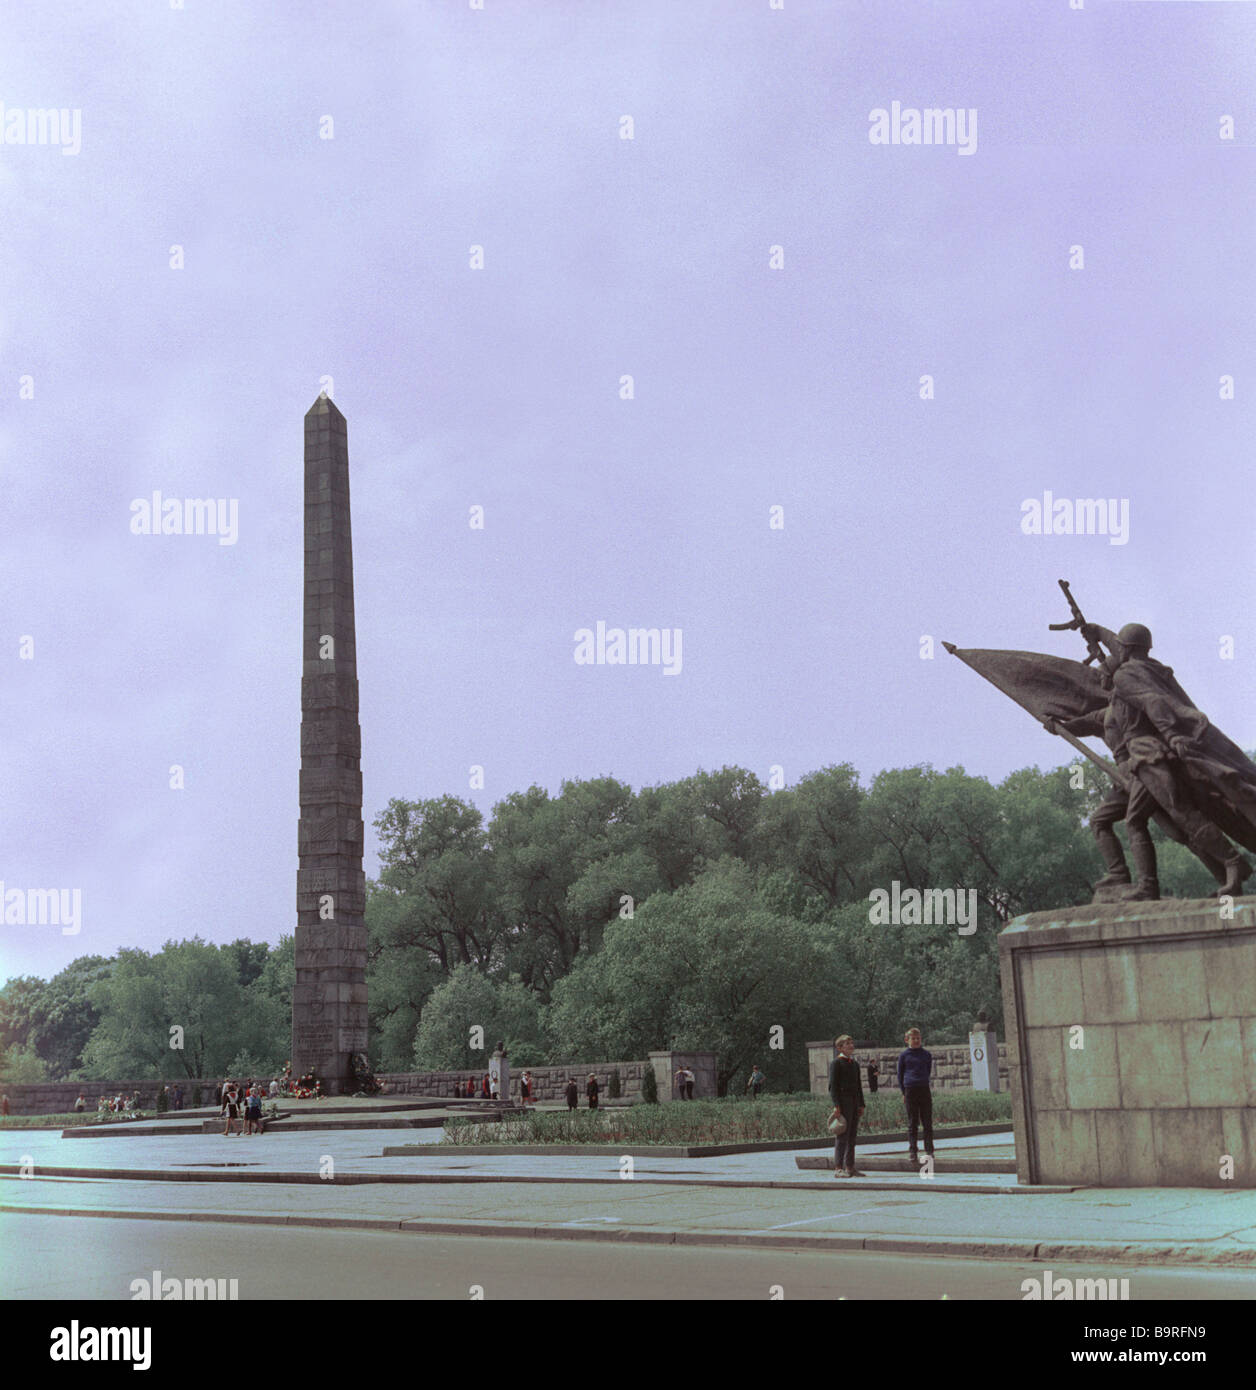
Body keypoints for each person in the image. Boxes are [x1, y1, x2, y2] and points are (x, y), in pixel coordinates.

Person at [827, 1035, 865, 1178]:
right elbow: (833, 1087)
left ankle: (850, 1167)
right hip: (843, 1102)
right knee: (842, 1135)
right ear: (840, 1048)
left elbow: (859, 1086)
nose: (851, 1045)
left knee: (852, 1136)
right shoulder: (836, 1063)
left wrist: (861, 1104)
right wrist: (836, 1105)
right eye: (847, 1044)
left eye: (852, 1043)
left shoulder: (854, 1064)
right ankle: (838, 1168)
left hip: (855, 1102)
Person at [897, 1027, 934, 1164]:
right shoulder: (904, 1056)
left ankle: (929, 1150)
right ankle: (913, 1151)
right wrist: (903, 1092)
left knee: (927, 1122)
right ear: (907, 1040)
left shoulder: (926, 1054)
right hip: (910, 1090)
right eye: (913, 1038)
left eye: (918, 1038)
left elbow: (928, 1070)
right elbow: (900, 1075)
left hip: (924, 1088)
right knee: (913, 1122)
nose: (916, 1040)